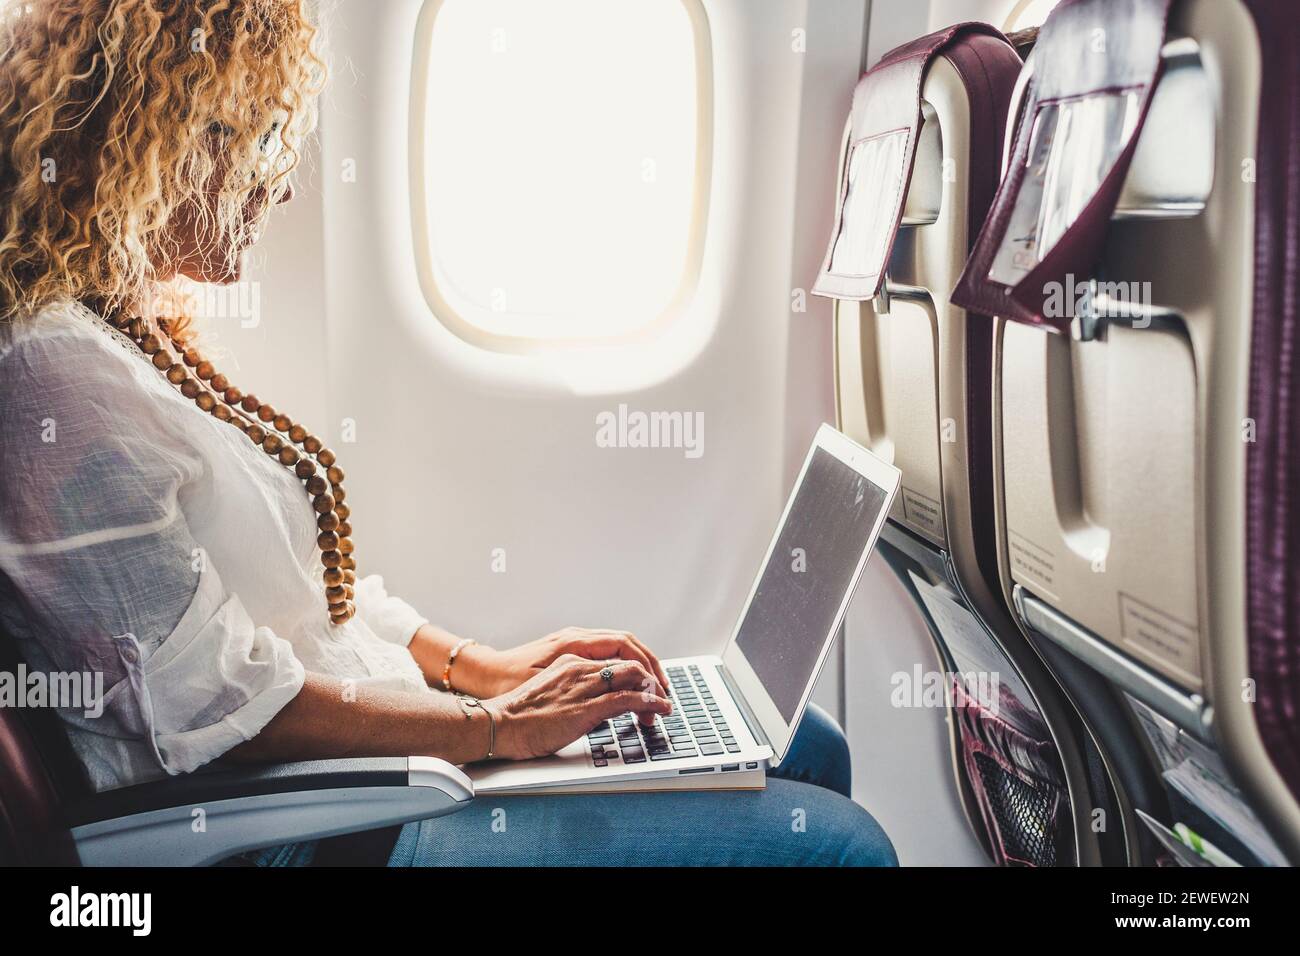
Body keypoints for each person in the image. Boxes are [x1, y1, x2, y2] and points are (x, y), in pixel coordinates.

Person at [0, 0, 896, 867]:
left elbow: (313, 603)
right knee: (843, 847)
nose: (277, 183)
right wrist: (498, 730)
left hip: (365, 772)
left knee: (802, 743)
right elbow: (212, 700)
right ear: (149, 133)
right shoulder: (50, 369)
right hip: (305, 824)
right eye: (256, 139)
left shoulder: (123, 333)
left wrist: (484, 668)